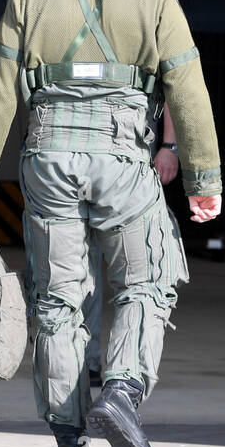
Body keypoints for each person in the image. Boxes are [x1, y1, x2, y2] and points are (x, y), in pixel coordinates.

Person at [0, 0, 222, 447]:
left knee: (58, 302)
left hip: (48, 157)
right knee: (145, 283)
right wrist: (203, 178)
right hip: (124, 161)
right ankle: (124, 390)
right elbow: (188, 89)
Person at [83, 105, 180, 385]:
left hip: (131, 157)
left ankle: (119, 377)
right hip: (90, 158)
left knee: (138, 275)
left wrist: (170, 146)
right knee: (84, 270)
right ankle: (103, 371)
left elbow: (176, 89)